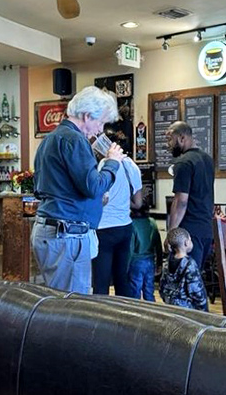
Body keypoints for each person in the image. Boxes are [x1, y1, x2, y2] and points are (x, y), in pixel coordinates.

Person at [31, 86, 124, 293]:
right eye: (100, 122)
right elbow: (93, 187)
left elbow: (41, 188)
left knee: (56, 298)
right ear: (87, 115)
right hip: (67, 235)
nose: (100, 130)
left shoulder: (49, 139)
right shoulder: (75, 139)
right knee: (71, 303)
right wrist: (112, 162)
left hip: (50, 230)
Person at [92, 128, 143, 296]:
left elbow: (102, 198)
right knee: (122, 279)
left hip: (104, 229)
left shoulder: (105, 164)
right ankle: (125, 311)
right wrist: (122, 200)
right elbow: (138, 203)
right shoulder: (132, 166)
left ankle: (100, 313)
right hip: (125, 227)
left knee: (101, 281)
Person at [165, 120, 215, 270]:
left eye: (170, 139)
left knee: (184, 279)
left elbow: (181, 201)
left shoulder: (183, 163)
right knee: (196, 278)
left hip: (188, 233)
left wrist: (171, 233)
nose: (168, 144)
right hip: (206, 229)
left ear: (182, 138)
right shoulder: (208, 160)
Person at [159, 227, 208, 311]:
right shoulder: (190, 264)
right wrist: (203, 307)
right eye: (190, 240)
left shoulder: (167, 262)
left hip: (170, 305)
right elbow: (195, 289)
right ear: (186, 243)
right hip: (187, 309)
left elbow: (162, 285)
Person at [127, 205, 163, 301]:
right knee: (149, 291)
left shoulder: (132, 224)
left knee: (135, 292)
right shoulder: (152, 222)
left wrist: (125, 267)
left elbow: (130, 249)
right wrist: (159, 263)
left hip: (136, 262)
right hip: (150, 261)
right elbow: (158, 245)